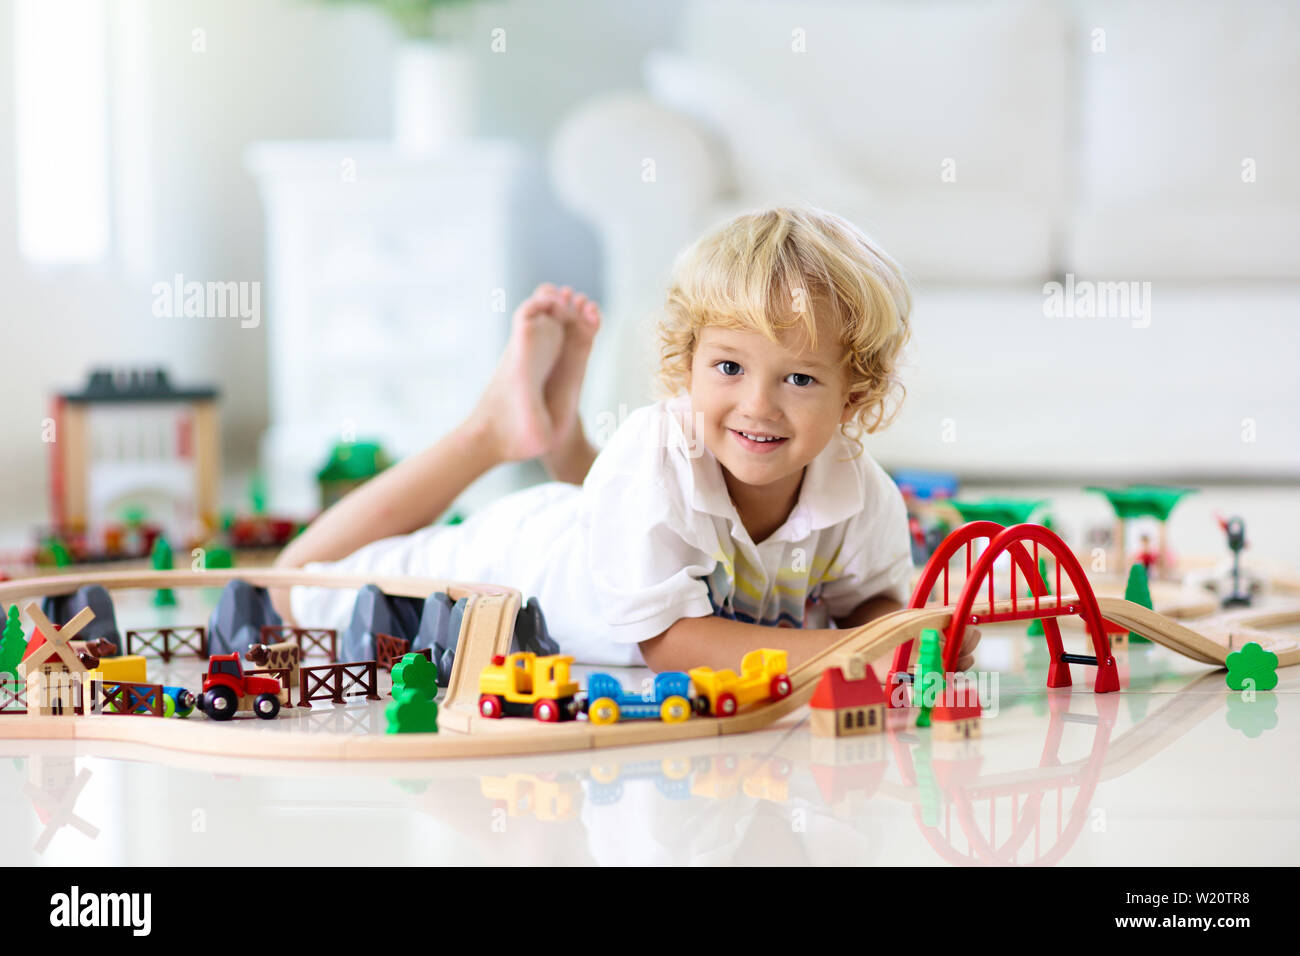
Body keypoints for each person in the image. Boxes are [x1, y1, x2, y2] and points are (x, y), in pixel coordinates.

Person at [274, 205, 979, 673]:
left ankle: (559, 438)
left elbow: (874, 607)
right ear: (687, 366)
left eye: (799, 379)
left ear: (854, 396)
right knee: (286, 588)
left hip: (614, 520)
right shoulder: (655, 448)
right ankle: (491, 431)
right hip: (526, 554)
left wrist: (908, 634)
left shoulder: (859, 491)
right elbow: (673, 643)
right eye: (729, 367)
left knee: (632, 492)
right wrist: (865, 652)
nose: (757, 405)